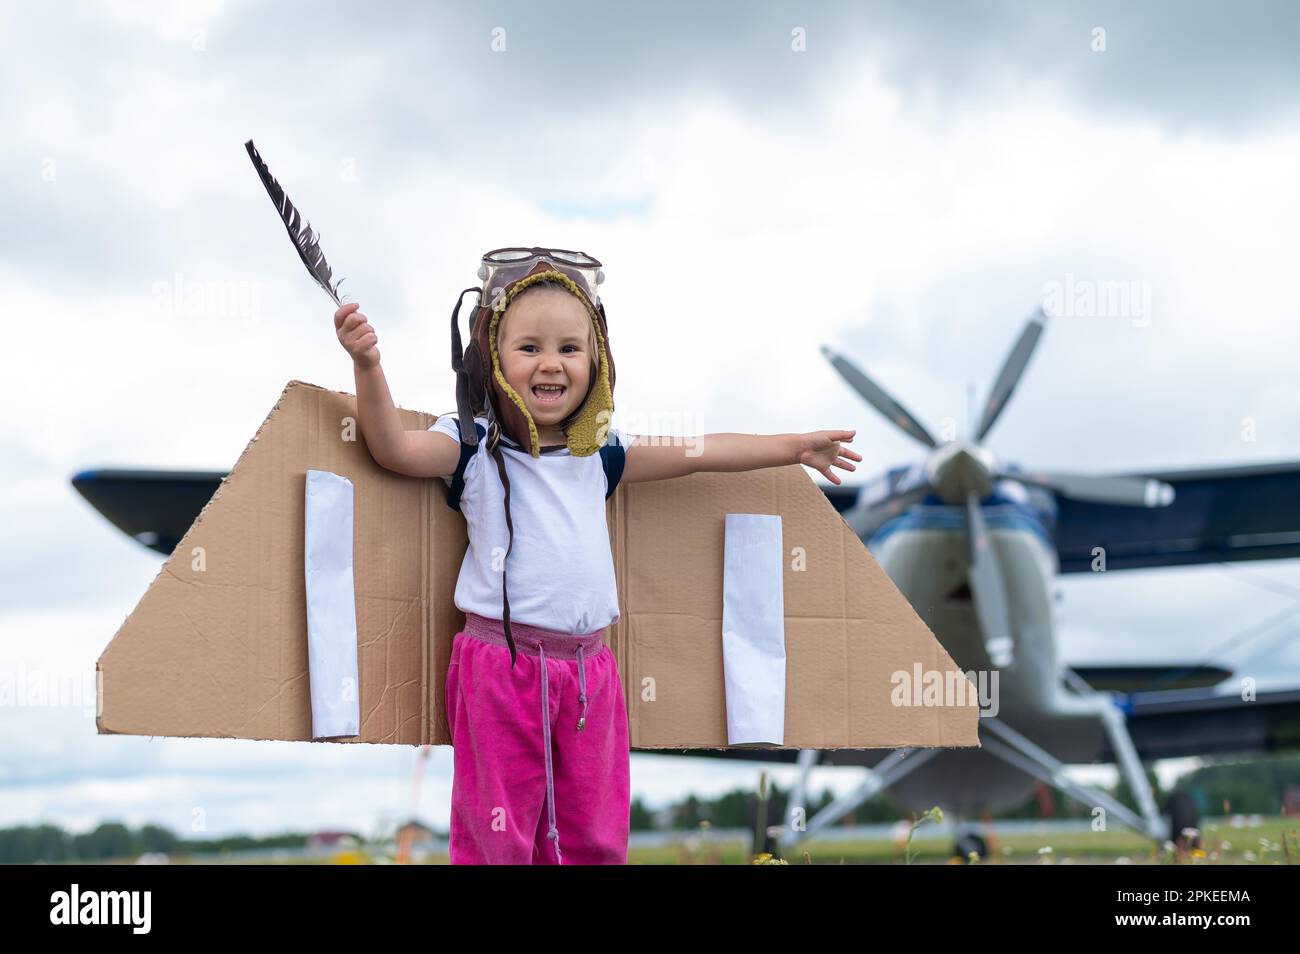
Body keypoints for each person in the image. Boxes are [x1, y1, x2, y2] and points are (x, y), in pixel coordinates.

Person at [334, 247, 860, 865]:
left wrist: (793, 445)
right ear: (493, 358)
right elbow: (392, 448)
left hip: (590, 674)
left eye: (569, 348)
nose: (550, 363)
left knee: (597, 838)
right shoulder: (472, 445)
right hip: (501, 669)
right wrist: (368, 364)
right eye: (528, 347)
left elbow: (700, 451)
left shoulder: (601, 455)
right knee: (497, 838)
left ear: (596, 360)